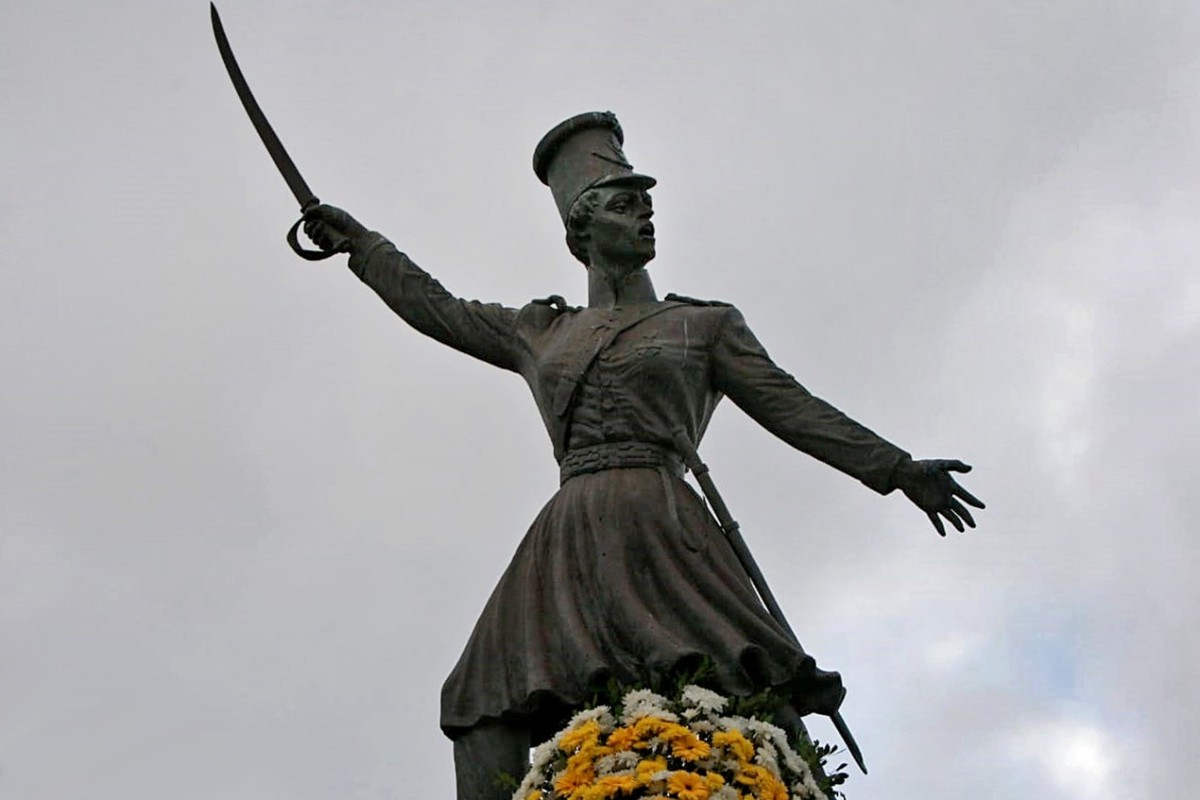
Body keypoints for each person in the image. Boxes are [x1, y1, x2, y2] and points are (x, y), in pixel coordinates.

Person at [302, 111, 984, 800]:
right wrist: (362, 245)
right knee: (479, 700)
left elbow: (791, 405)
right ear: (582, 229)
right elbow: (436, 307)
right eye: (627, 207)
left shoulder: (703, 325)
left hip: (665, 522)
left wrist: (896, 469)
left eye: (648, 207)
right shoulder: (540, 330)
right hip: (567, 535)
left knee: (748, 680)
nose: (646, 219)